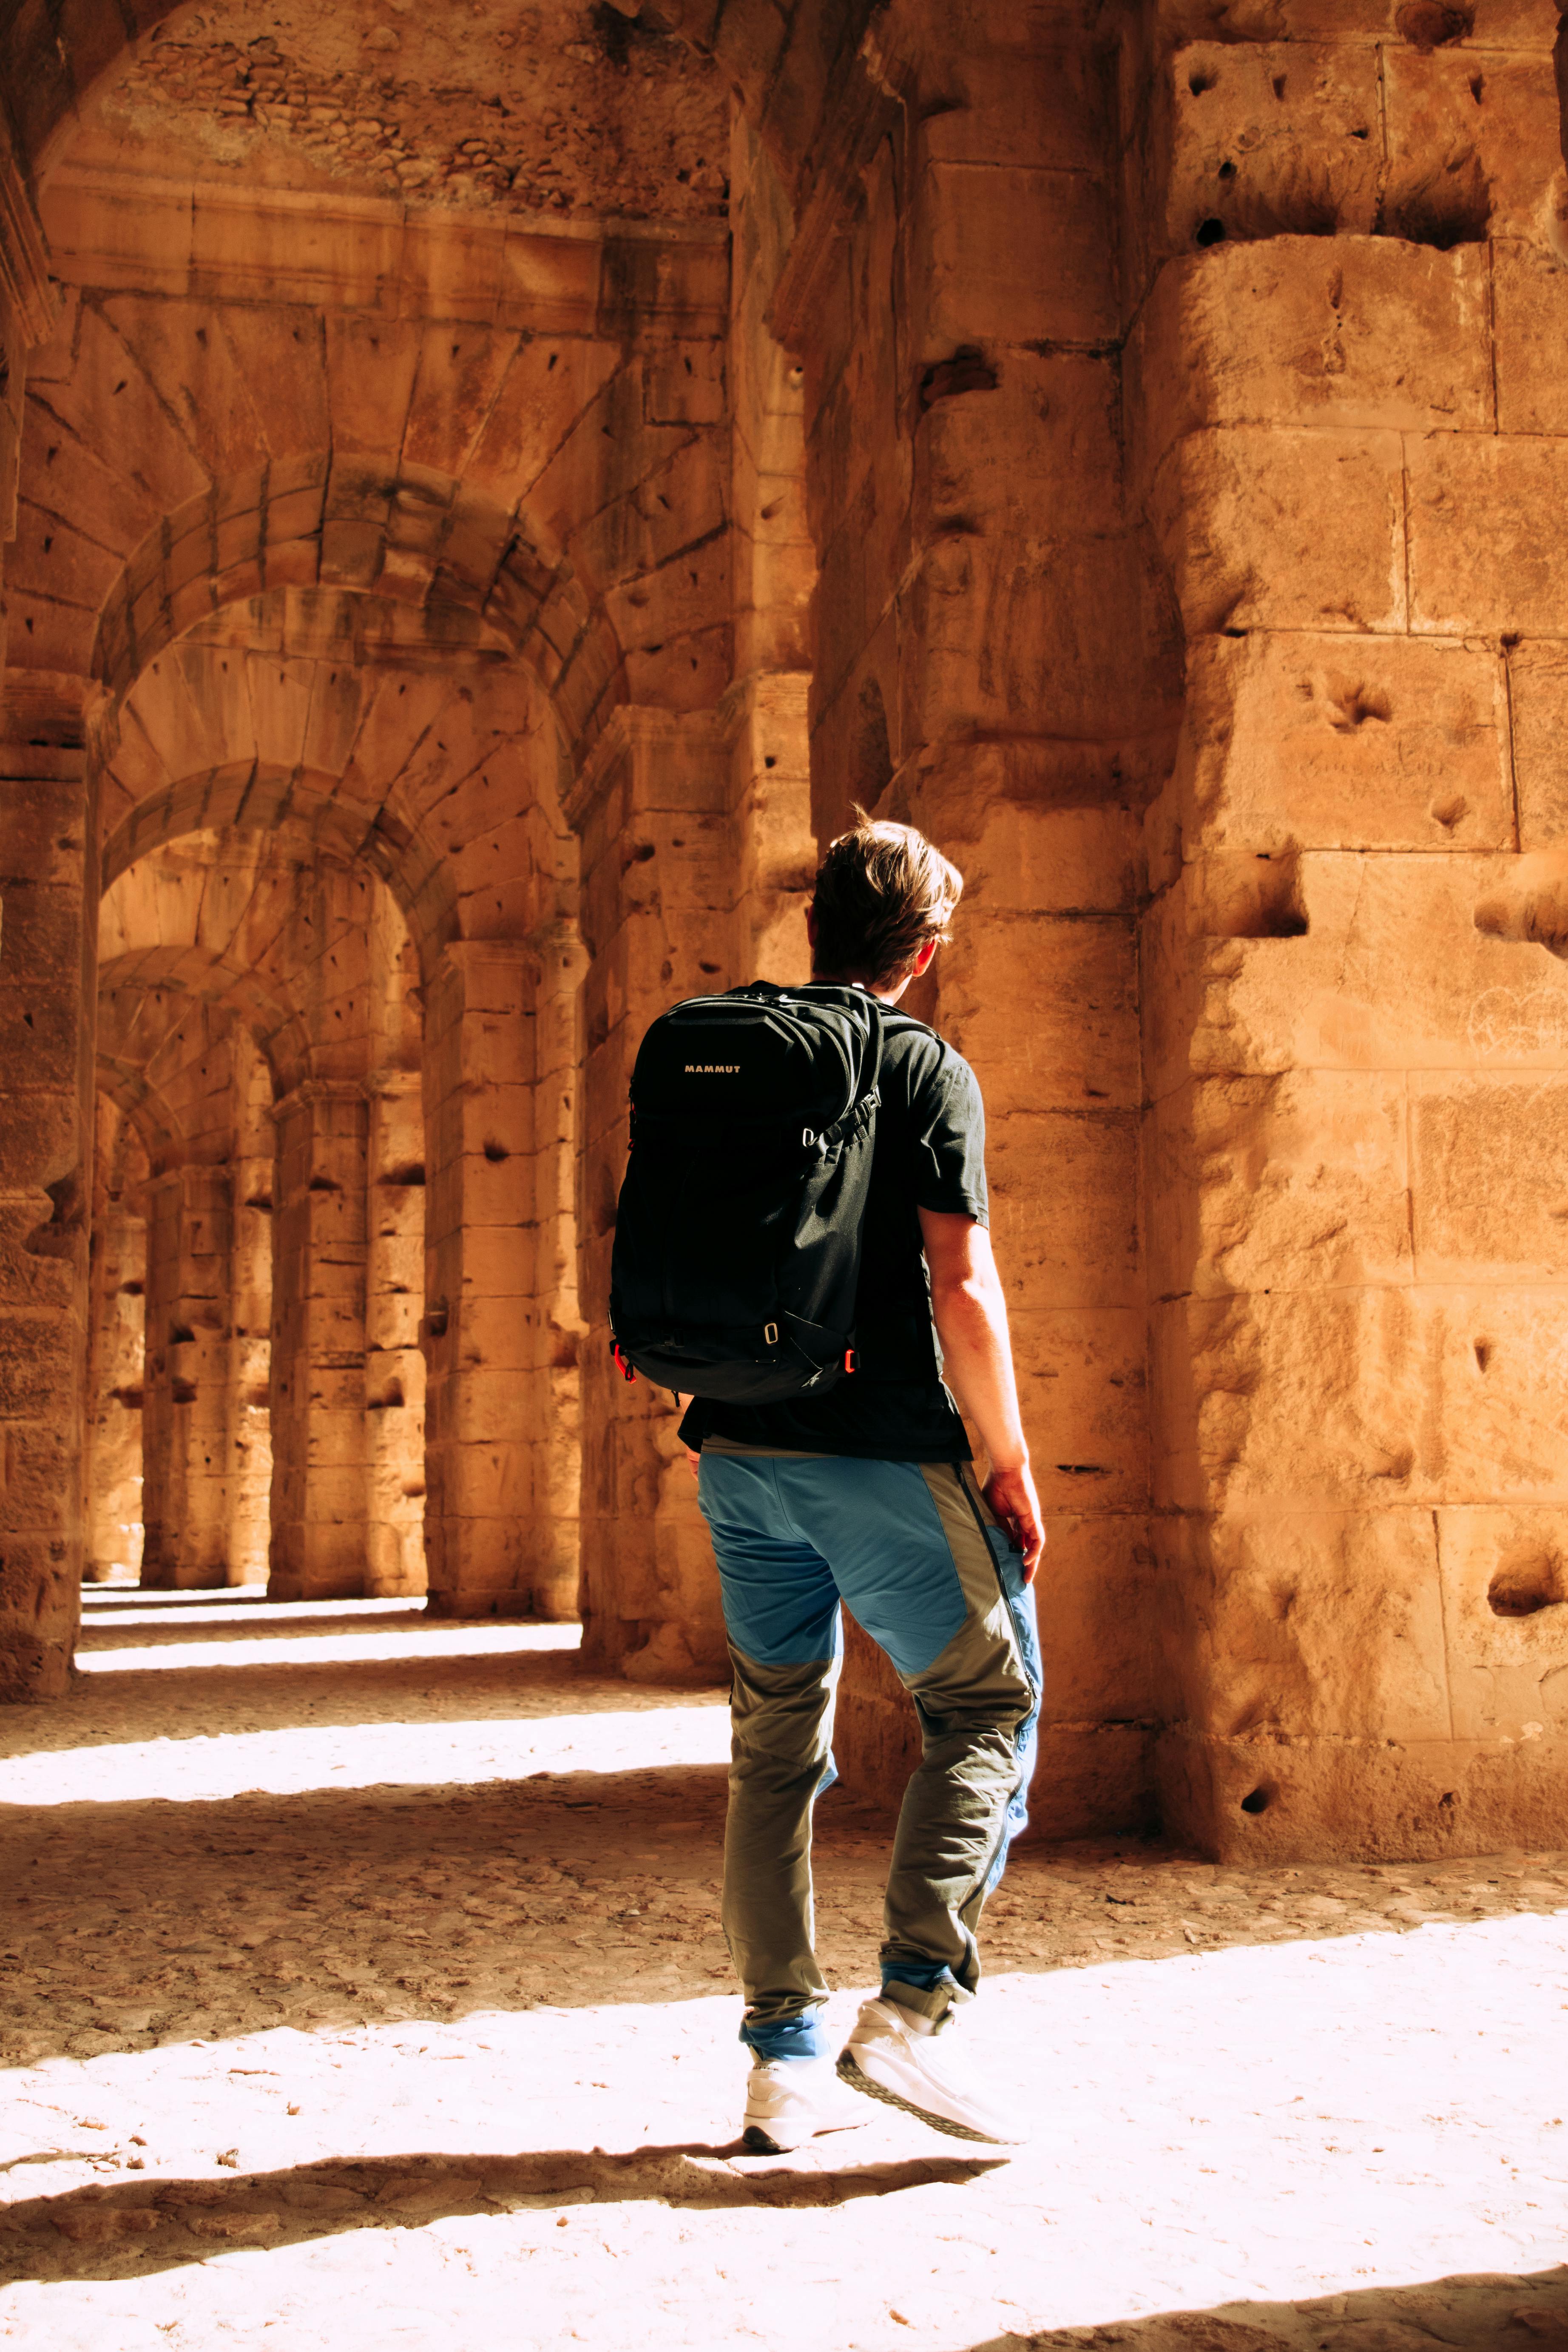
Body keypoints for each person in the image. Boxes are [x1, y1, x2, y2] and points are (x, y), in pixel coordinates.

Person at [673, 810, 1045, 2156]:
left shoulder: (733, 1051)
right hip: (879, 1448)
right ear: (929, 952)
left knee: (773, 1749)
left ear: (815, 925)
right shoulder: (926, 1066)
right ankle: (909, 2012)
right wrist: (1005, 1459)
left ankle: (780, 2065)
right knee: (989, 1700)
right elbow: (964, 1286)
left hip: (736, 1451)